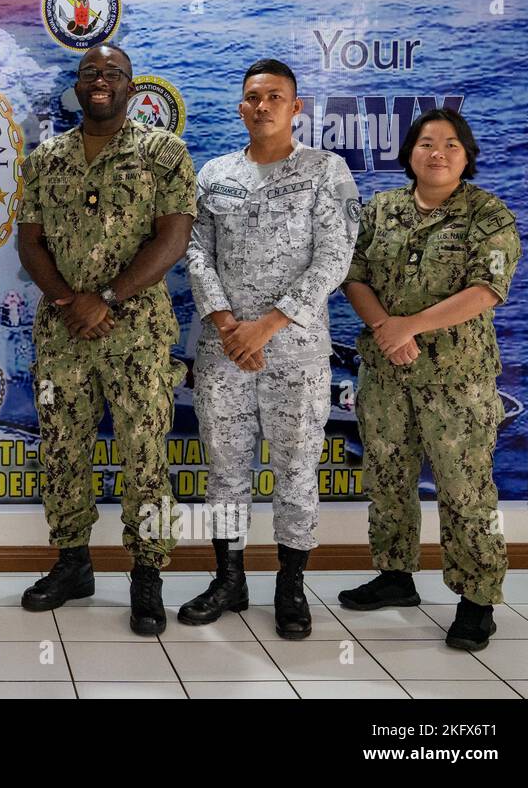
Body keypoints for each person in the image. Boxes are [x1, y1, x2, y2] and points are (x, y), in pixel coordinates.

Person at [17, 44, 195, 635]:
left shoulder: (162, 152)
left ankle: (147, 576)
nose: (100, 81)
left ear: (129, 86)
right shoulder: (46, 160)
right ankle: (73, 564)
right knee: (63, 450)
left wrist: (108, 298)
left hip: (136, 334)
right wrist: (70, 302)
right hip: (63, 333)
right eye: (91, 72)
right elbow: (31, 242)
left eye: (112, 74)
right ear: (78, 83)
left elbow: (172, 240)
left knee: (144, 456)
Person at [184, 59, 359, 639]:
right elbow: (198, 253)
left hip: (297, 352)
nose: (263, 106)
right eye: (253, 97)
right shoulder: (214, 174)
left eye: (275, 97)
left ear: (295, 107)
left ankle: (291, 587)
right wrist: (229, 322)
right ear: (241, 107)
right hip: (223, 350)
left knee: (296, 471)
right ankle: (229, 581)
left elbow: (334, 258)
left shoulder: (325, 172)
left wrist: (266, 326)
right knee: (225, 471)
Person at [338, 108, 520, 652]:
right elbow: (354, 274)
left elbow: (486, 290)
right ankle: (396, 577)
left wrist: (408, 327)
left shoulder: (488, 214)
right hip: (387, 376)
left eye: (450, 145)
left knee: (466, 492)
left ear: (466, 156)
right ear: (409, 153)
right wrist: (384, 329)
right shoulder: (382, 209)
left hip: (456, 380)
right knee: (388, 480)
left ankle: (477, 600)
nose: (437, 153)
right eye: (425, 143)